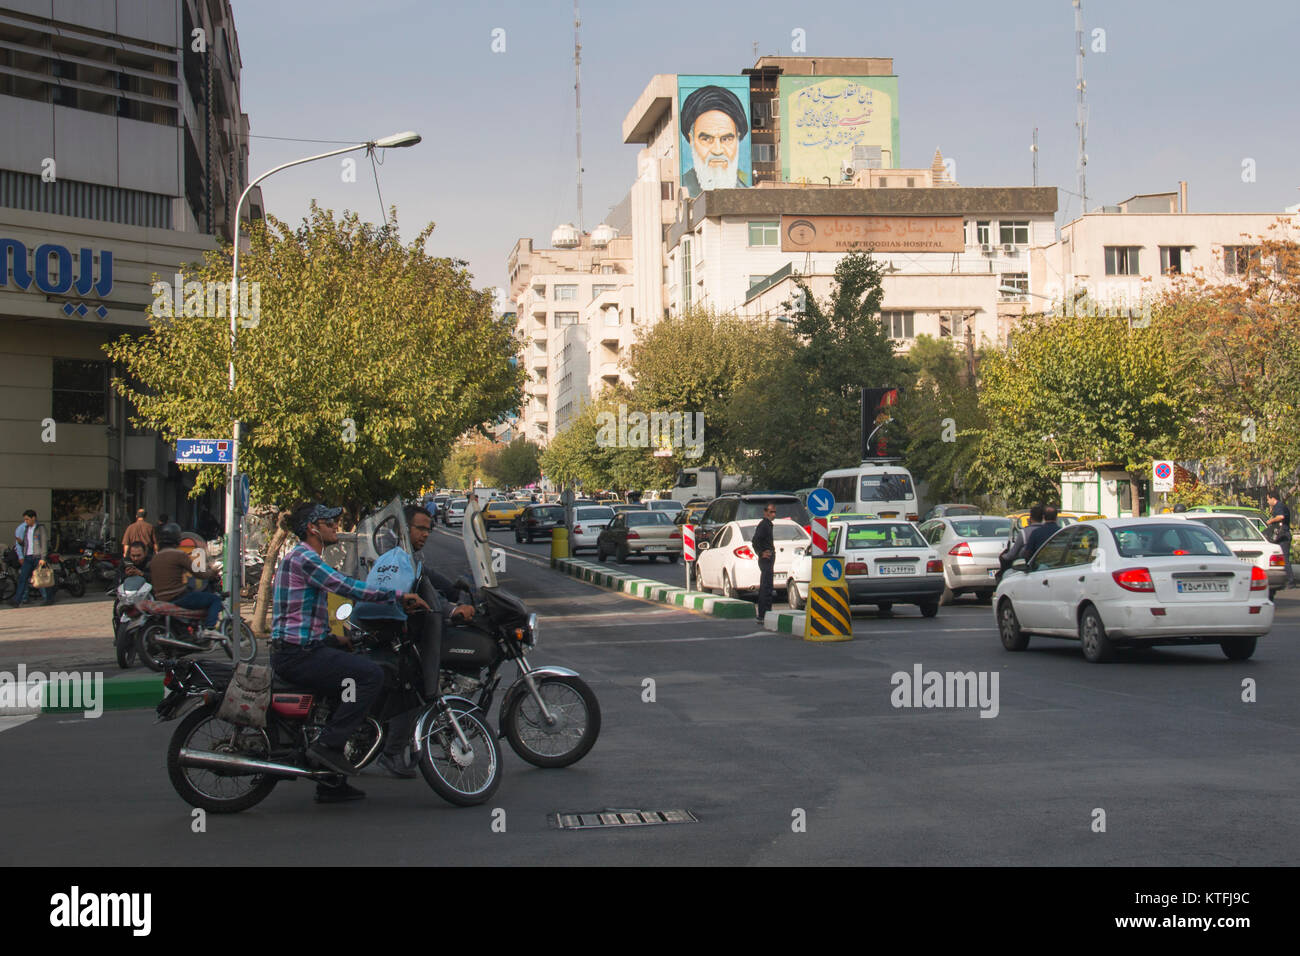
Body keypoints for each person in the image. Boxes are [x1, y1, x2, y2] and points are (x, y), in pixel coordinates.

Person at [270, 502, 429, 803]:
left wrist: (334, 638)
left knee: (347, 673)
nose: (335, 527)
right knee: (369, 675)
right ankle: (328, 746)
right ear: (313, 528)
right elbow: (345, 586)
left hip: (302, 645)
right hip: (297, 654)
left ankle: (330, 782)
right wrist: (396, 596)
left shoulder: (302, 558)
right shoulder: (306, 558)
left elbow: (300, 614)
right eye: (329, 522)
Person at [374, 505, 476, 778]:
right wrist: (452, 610)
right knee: (413, 687)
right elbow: (427, 593)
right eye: (420, 528)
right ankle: (392, 752)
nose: (426, 534)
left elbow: (429, 577)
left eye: (428, 529)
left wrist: (462, 588)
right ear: (404, 529)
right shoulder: (394, 556)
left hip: (400, 630)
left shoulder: (410, 556)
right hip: (392, 634)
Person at [679, 84, 751, 197]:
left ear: (738, 139)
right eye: (707, 139)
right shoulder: (681, 191)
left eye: (726, 139)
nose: (717, 151)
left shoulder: (748, 196)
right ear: (691, 140)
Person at [150, 524, 224, 632]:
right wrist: (212, 573)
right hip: (179, 598)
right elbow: (199, 573)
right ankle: (210, 629)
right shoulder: (179, 555)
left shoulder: (155, 558)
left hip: (160, 598)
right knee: (215, 599)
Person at [11, 510, 54, 607]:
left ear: (33, 518)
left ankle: (49, 598)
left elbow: (44, 543)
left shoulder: (40, 528)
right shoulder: (26, 529)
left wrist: (43, 557)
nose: (26, 521)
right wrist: (20, 542)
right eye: (25, 519)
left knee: (42, 578)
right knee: (23, 578)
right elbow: (27, 543)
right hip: (28, 557)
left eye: (27, 519)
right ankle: (16, 600)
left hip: (38, 557)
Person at [1000, 504, 1043, 572]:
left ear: (1031, 518)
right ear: (1042, 518)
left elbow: (1012, 554)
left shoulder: (1024, 532)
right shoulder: (1047, 531)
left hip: (1028, 567)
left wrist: (1002, 557)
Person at [752, 503, 776, 622]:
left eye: (774, 512)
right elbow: (755, 540)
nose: (773, 515)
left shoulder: (768, 525)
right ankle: (763, 613)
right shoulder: (764, 525)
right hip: (765, 559)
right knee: (766, 586)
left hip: (769, 558)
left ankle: (766, 612)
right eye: (771, 512)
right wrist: (761, 553)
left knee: (768, 585)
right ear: (765, 512)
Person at [1265, 490, 1294, 589]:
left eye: (1268, 499)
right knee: (1279, 559)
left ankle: (1290, 582)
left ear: (1273, 499)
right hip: (1279, 535)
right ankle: (1283, 580)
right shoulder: (1276, 507)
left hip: (1283, 535)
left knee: (1285, 558)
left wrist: (1270, 521)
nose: (1267, 502)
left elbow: (1281, 517)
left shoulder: (1280, 506)